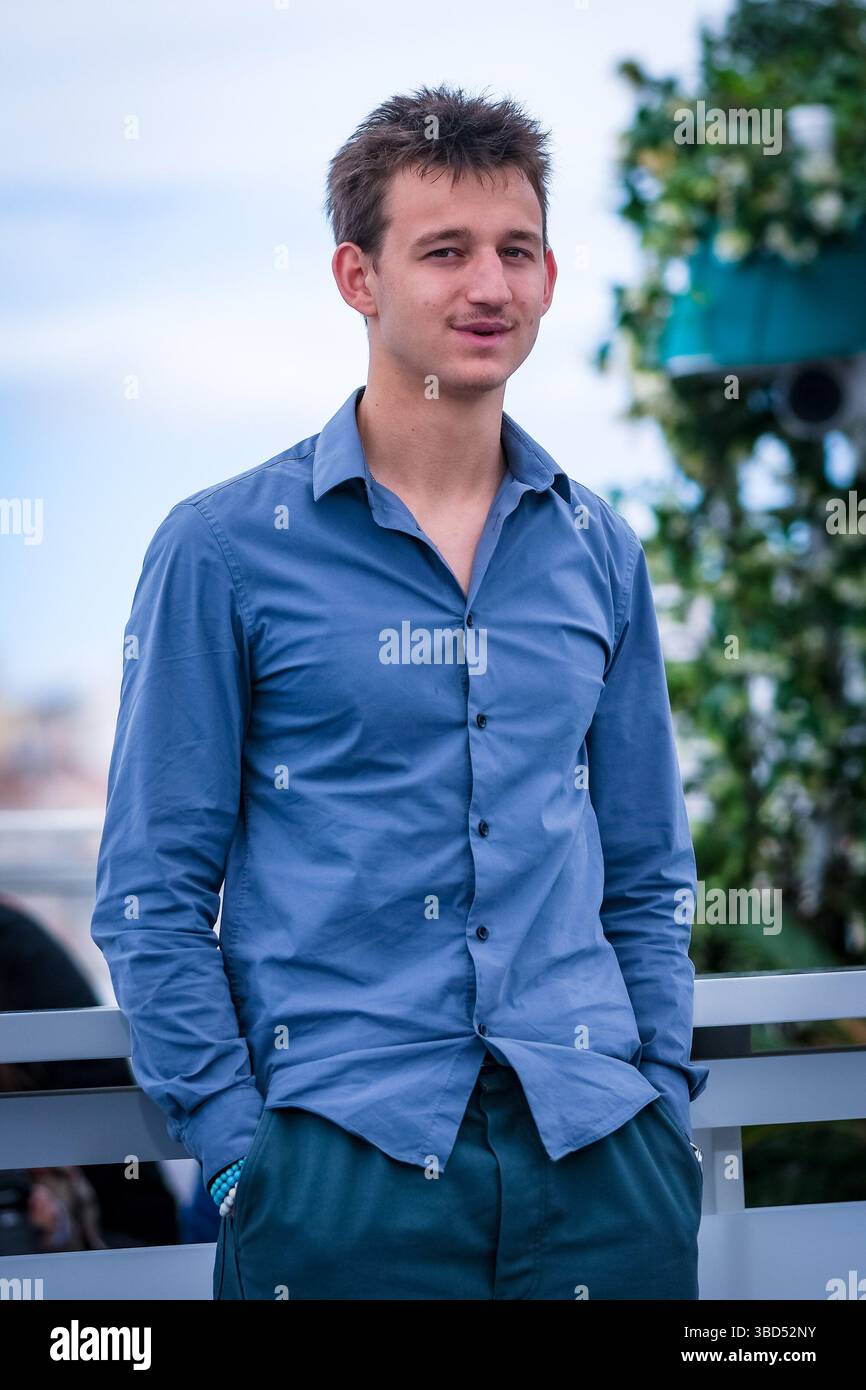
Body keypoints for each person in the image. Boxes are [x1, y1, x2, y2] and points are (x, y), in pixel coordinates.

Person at [90, 82, 709, 1301]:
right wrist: (234, 1157)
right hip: (338, 1179)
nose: (490, 286)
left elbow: (644, 866)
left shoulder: (598, 550)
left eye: (515, 251)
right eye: (445, 251)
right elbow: (153, 889)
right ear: (356, 279)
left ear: (547, 273)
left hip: (600, 1165)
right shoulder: (222, 547)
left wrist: (659, 1104)